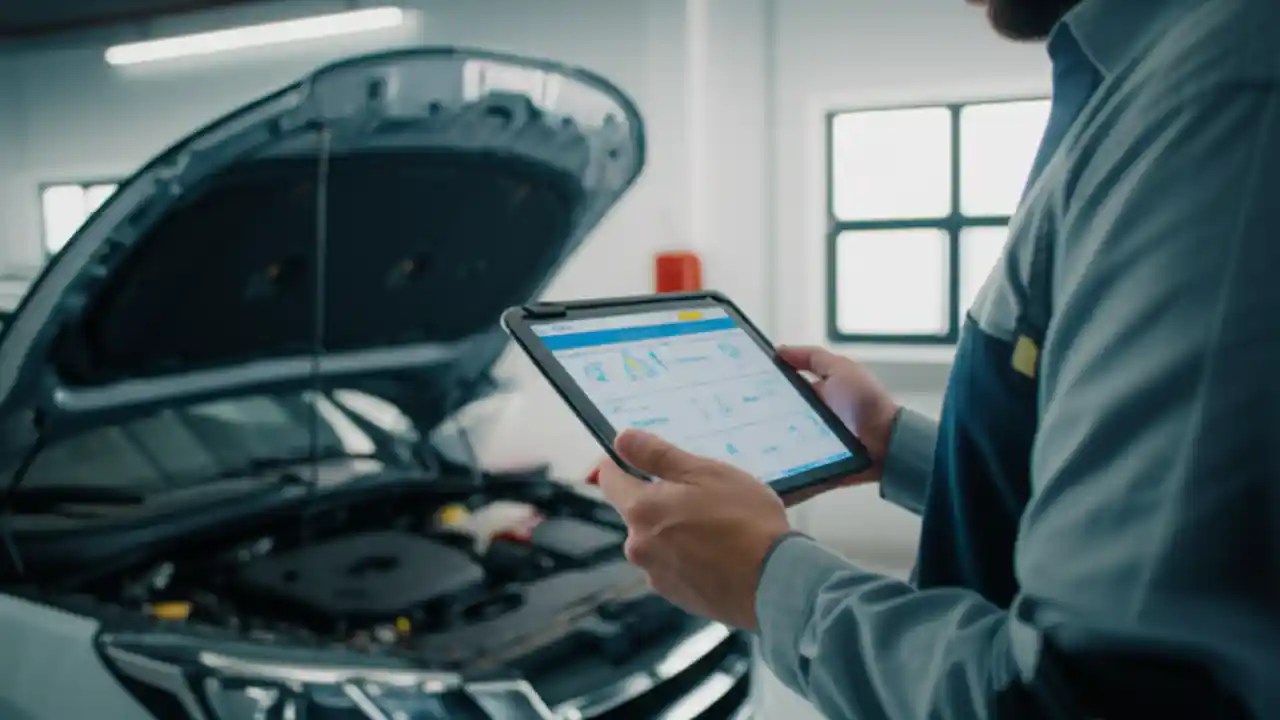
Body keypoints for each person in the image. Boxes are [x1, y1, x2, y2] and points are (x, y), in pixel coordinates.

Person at [592, 0, 1280, 717]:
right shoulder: (1135, 76)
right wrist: (896, 443)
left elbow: (1093, 697)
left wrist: (767, 578)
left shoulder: (1226, 90)